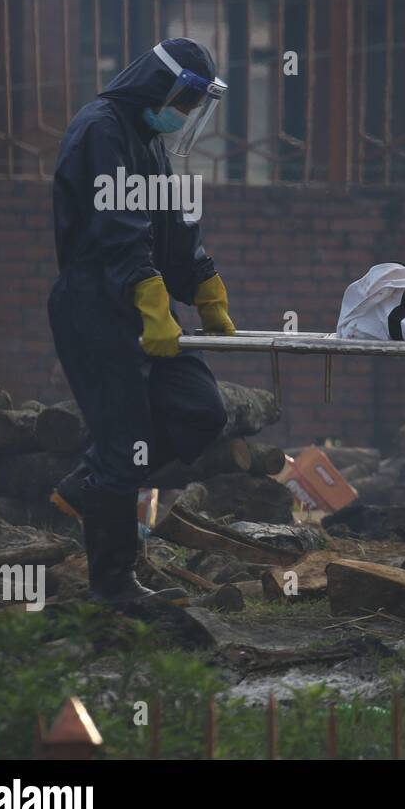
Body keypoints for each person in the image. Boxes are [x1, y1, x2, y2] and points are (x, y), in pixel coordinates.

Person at [47, 38, 235, 606]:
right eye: (183, 101)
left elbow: (173, 233)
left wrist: (205, 286)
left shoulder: (150, 143)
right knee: (123, 441)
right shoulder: (100, 130)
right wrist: (151, 302)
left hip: (144, 304)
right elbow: (114, 234)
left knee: (202, 411)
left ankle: (93, 484)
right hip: (95, 308)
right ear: (159, 86)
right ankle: (114, 586)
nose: (183, 115)